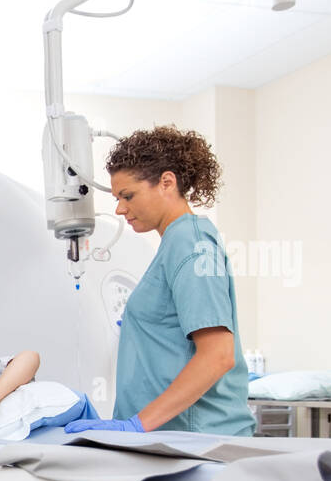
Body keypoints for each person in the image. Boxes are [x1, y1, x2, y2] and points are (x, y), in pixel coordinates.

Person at [65, 125, 255, 436]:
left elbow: (218, 354)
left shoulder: (189, 242)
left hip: (196, 439)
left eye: (128, 195)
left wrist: (137, 424)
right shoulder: (175, 243)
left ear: (167, 182)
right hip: (173, 437)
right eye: (117, 197)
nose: (120, 208)